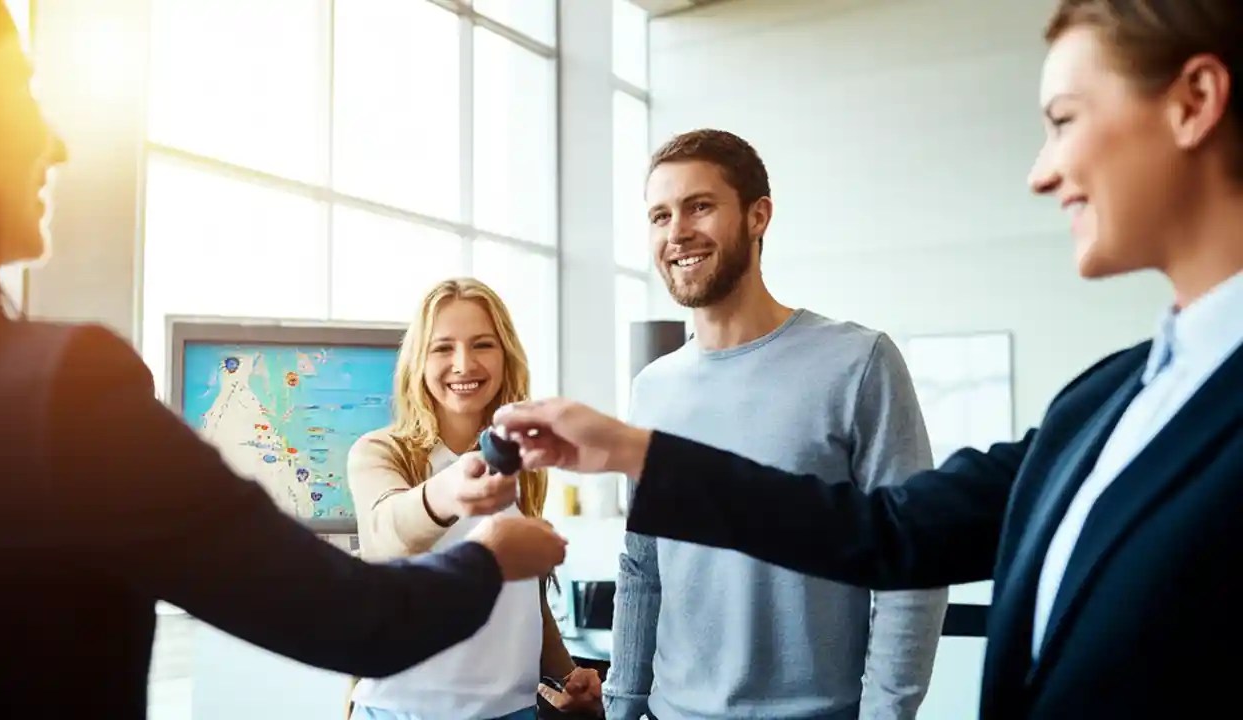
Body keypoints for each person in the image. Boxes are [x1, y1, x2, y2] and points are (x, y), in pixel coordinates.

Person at [493, 1, 1243, 718]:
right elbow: (890, 533)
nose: (1041, 172)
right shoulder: (1108, 401)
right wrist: (635, 451)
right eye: (659, 213)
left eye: (1064, 120)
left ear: (1196, 100)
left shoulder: (857, 361)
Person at [0, 3, 567, 717]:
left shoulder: (519, 458)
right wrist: (492, 552)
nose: (55, 144)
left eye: (481, 343)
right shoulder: (62, 391)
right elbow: (354, 614)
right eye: (20, 96)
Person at [604, 129, 946, 720]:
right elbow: (642, 565)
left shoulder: (858, 363)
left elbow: (911, 563)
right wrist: (622, 706)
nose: (676, 232)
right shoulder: (652, 388)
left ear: (758, 215)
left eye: (700, 206)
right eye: (660, 215)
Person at [345, 277, 602, 720]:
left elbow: (526, 597)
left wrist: (568, 677)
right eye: (443, 348)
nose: (463, 364)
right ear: (418, 362)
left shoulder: (524, 460)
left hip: (511, 711)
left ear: (506, 358)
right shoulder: (381, 452)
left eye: (483, 345)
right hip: (402, 710)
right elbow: (385, 533)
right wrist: (451, 490)